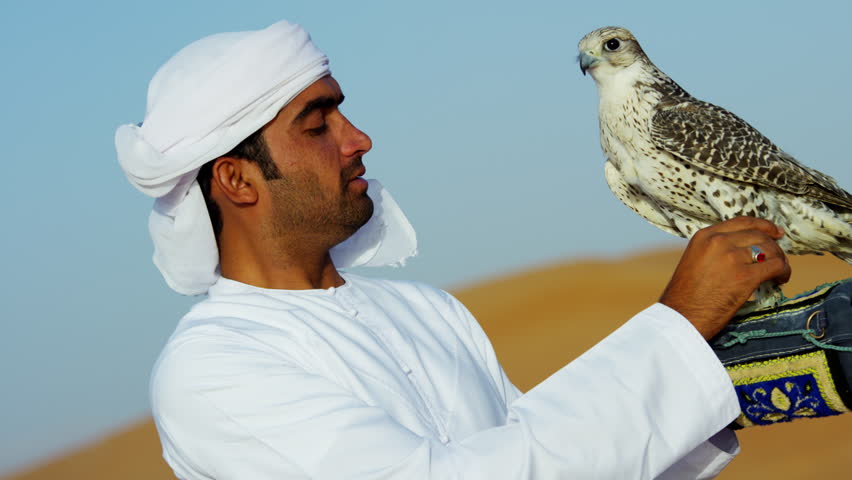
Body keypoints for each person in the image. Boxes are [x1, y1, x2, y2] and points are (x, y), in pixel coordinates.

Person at [116, 20, 791, 479]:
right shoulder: (214, 369)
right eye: (319, 126)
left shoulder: (427, 311)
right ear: (235, 179)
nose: (359, 140)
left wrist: (747, 381)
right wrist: (677, 326)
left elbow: (573, 459)